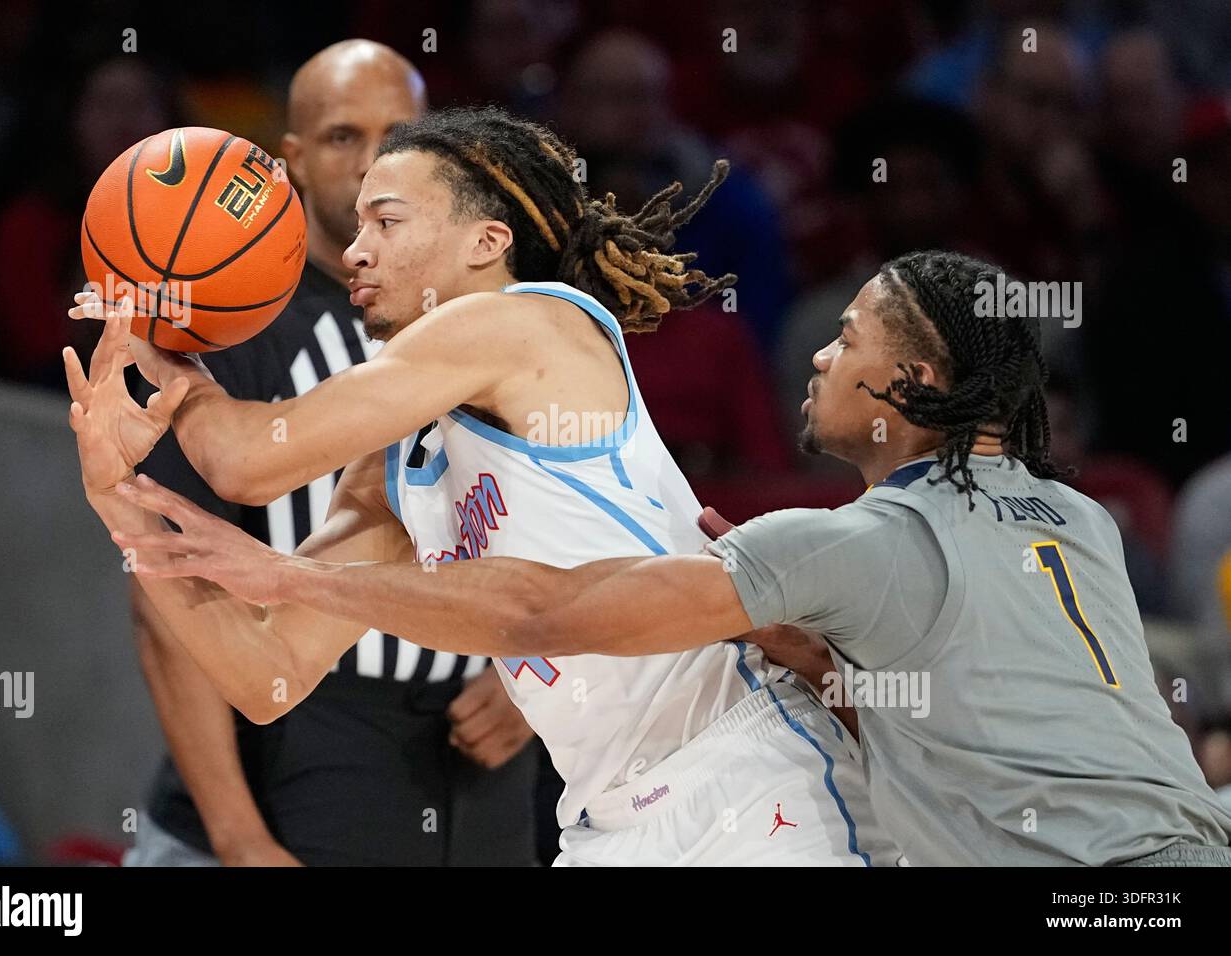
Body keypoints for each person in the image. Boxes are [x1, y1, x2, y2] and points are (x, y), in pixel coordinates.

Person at [111, 250, 1231, 867]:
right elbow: (961, 686)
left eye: (850, 337)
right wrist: (795, 640)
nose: (823, 353)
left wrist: (294, 577)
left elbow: (551, 613)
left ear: (919, 385)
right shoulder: (1075, 519)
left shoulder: (858, 544)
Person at [65, 105, 899, 866]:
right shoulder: (402, 464)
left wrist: (169, 339)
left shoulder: (525, 320)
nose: (355, 250)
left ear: (487, 242)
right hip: (610, 819)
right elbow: (267, 676)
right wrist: (117, 499)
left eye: (387, 221)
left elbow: (245, 461)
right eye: (356, 225)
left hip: (741, 771)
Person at [121, 41, 538, 868]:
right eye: (347, 137)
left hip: (481, 749)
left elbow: (569, 531)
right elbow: (167, 596)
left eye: (402, 135)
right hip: (300, 731)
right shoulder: (224, 328)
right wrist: (239, 838)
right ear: (295, 163)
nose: (379, 161)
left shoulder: (494, 320)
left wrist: (539, 677)